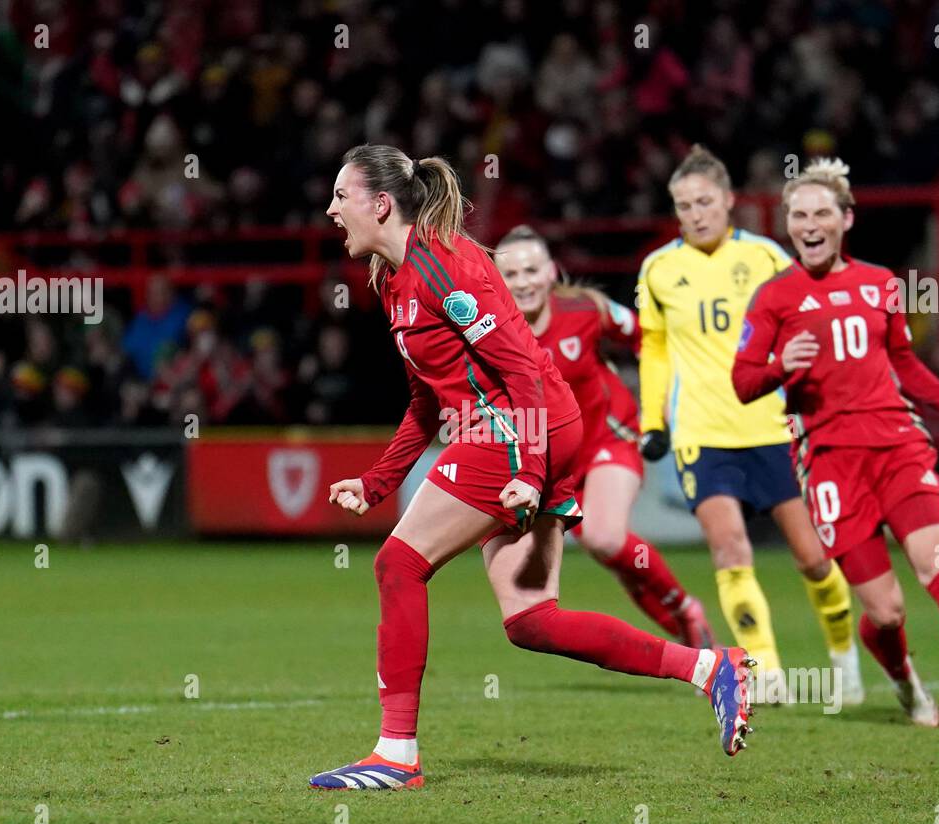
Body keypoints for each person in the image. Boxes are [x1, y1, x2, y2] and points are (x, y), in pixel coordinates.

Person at [312, 144, 755, 789]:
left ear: (381, 204)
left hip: (517, 433)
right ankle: (709, 669)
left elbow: (520, 367)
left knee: (397, 564)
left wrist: (529, 464)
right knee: (531, 622)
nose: (331, 210)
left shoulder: (444, 268)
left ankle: (396, 754)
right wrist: (380, 480)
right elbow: (426, 400)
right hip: (521, 432)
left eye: (341, 196)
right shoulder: (393, 277)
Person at [732, 157, 939, 731]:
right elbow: (743, 383)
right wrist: (777, 369)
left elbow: (905, 365)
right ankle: (903, 680)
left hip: (898, 448)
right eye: (798, 215)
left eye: (821, 213)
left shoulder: (880, 284)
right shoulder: (774, 298)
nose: (809, 224)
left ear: (846, 219)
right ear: (788, 224)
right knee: (886, 613)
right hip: (832, 466)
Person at [636, 145, 861, 704]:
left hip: (771, 425)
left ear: (729, 200)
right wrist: (651, 418)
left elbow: (807, 323)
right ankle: (768, 674)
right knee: (730, 551)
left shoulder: (766, 259)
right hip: (701, 434)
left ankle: (843, 655)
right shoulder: (659, 269)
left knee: (812, 556)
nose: (695, 214)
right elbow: (654, 349)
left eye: (705, 202)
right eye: (684, 205)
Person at [494, 225, 716, 649]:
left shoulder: (586, 310)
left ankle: (685, 608)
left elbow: (650, 337)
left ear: (551, 271)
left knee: (604, 537)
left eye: (531, 269)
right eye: (512, 274)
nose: (523, 281)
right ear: (497, 282)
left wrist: (660, 407)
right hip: (557, 468)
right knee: (612, 556)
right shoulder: (491, 335)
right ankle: (696, 652)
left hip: (609, 436)